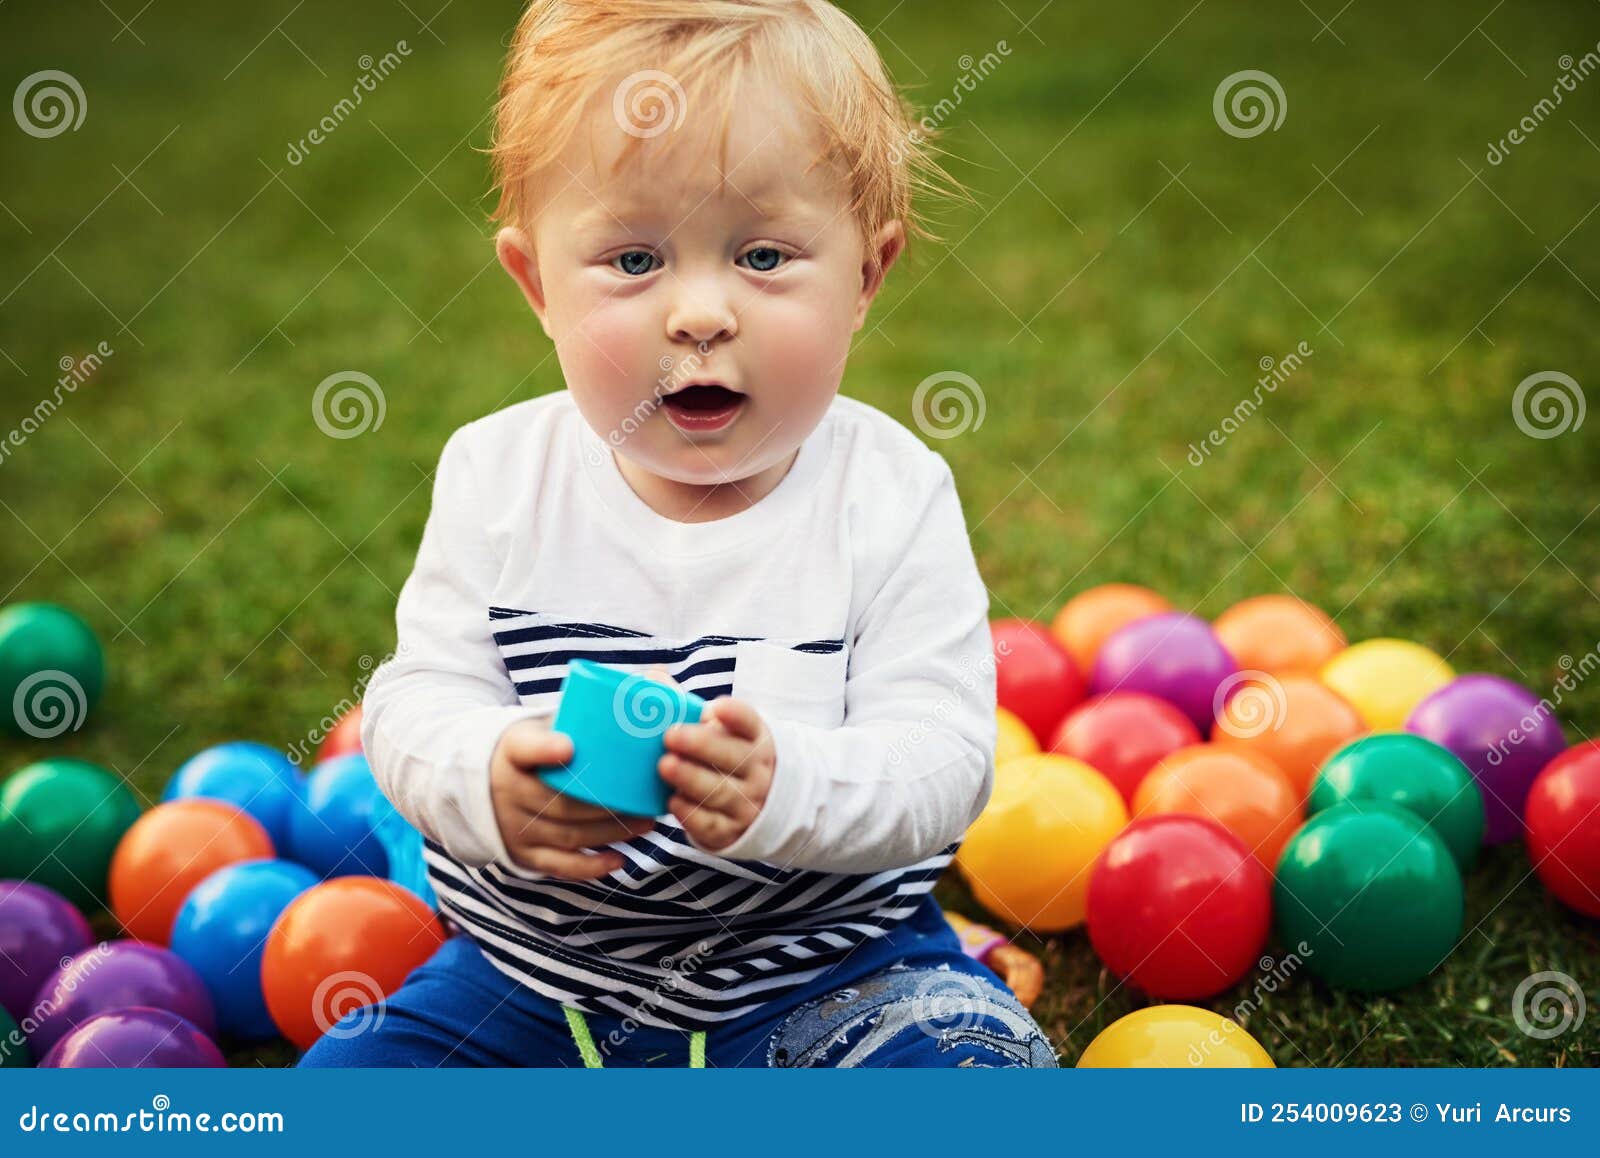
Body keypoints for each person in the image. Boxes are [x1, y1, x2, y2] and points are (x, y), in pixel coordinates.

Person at [301, 0, 1056, 1068]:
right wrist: (486, 773)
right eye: (633, 260)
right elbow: (415, 697)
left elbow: (942, 759)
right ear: (537, 284)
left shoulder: (889, 493)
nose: (699, 313)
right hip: (532, 984)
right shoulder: (498, 475)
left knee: (963, 1072)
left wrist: (788, 788)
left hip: (822, 975)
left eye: (761, 254)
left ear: (864, 276)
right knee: (345, 1090)